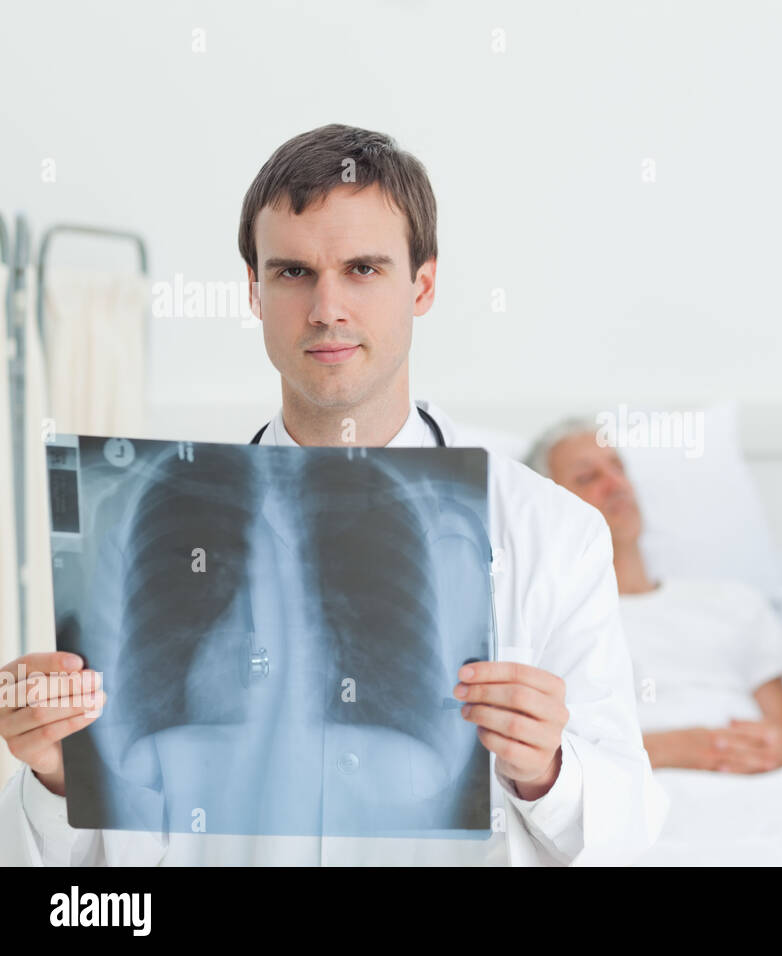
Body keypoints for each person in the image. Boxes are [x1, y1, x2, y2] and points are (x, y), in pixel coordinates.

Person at [0, 123, 667, 866]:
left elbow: (629, 835)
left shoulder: (552, 533)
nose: (326, 309)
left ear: (423, 283)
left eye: (362, 269)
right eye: (292, 273)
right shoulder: (148, 522)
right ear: (253, 290)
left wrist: (547, 772)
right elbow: (99, 878)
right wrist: (57, 775)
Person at [526, 421, 782, 774]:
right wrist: (672, 749)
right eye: (588, 477)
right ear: (548, 514)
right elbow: (541, 763)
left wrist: (781, 749)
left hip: (775, 791)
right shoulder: (546, 626)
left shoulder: (735, 604)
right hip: (652, 801)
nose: (616, 485)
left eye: (618, 468)